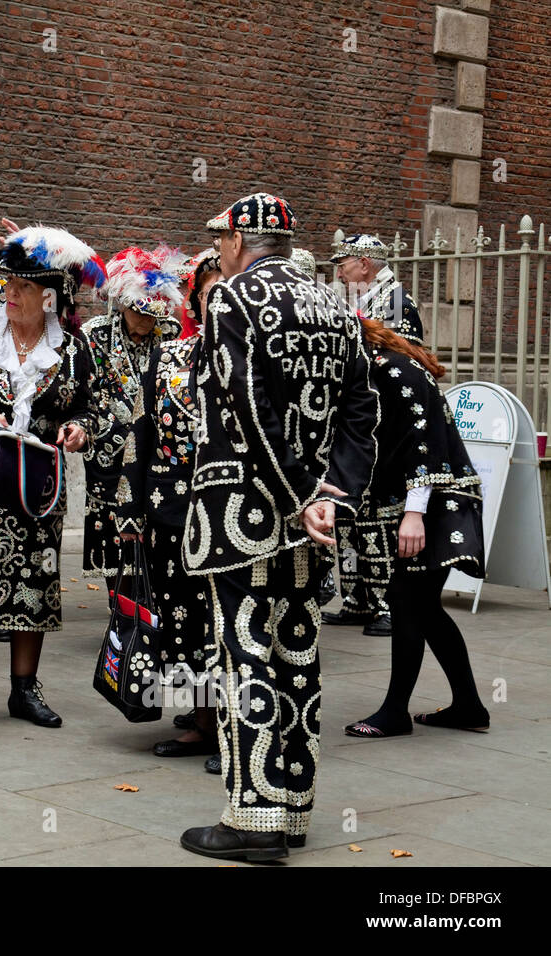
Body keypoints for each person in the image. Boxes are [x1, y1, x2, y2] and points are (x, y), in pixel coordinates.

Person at [178, 193, 378, 861]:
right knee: (297, 657)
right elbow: (361, 414)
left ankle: (253, 820)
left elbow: (246, 406)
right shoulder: (336, 307)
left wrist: (298, 495)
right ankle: (292, 809)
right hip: (313, 522)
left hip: (244, 513)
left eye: (221, 241)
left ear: (238, 241)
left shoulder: (232, 299)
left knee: (244, 656)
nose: (219, 252)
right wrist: (334, 497)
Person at [0, 226, 102, 730]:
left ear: (49, 296)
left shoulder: (73, 349)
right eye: (8, 284)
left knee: (34, 583)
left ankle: (25, 690)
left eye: (23, 287)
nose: (9, 293)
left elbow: (92, 408)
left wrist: (79, 429)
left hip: (37, 490)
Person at [343, 321, 488, 738]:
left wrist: (414, 513)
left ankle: (395, 713)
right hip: (424, 501)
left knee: (408, 602)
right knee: (424, 608)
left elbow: (422, 441)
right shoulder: (373, 366)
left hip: (434, 502)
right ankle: (469, 706)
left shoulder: (394, 368)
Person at [116, 250, 218, 758]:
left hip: (234, 514)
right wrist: (130, 509)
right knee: (184, 619)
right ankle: (202, 720)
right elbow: (140, 436)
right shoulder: (168, 357)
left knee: (227, 622)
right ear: (195, 300)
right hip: (170, 510)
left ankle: (235, 727)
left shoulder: (255, 360)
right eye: (211, 292)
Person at [324, 233, 425, 636]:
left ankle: (388, 603)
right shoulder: (361, 300)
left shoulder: (396, 300)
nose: (339, 272)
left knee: (382, 514)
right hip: (361, 420)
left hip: (385, 421)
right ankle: (357, 599)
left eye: (343, 264)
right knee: (354, 511)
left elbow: (400, 359)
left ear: (364, 263)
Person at [82, 245, 187, 593]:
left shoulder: (170, 334)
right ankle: (122, 604)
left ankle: (153, 600)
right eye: (140, 313)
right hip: (108, 451)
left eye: (153, 315)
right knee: (114, 533)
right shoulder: (94, 336)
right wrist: (116, 430)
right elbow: (86, 394)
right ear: (122, 304)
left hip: (155, 450)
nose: (147, 322)